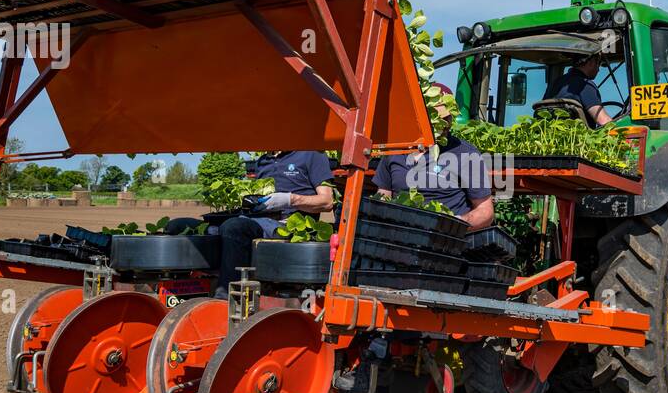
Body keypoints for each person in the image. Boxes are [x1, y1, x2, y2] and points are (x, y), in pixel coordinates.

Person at [166, 151, 335, 297]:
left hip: (285, 226)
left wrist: (290, 199)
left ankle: (225, 299)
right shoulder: (263, 161)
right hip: (254, 220)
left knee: (234, 228)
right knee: (178, 226)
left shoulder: (311, 154)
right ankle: (185, 292)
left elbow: (327, 201)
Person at [372, 87, 493, 228]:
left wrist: (456, 224)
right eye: (439, 119)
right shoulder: (397, 149)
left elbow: (486, 211)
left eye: (448, 117)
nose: (446, 124)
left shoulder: (466, 153)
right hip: (401, 235)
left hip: (446, 241)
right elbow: (383, 196)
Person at [544, 53, 613, 127]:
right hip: (581, 137)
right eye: (598, 63)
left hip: (552, 136)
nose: (598, 70)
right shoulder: (585, 85)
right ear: (591, 62)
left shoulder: (554, 84)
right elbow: (604, 121)